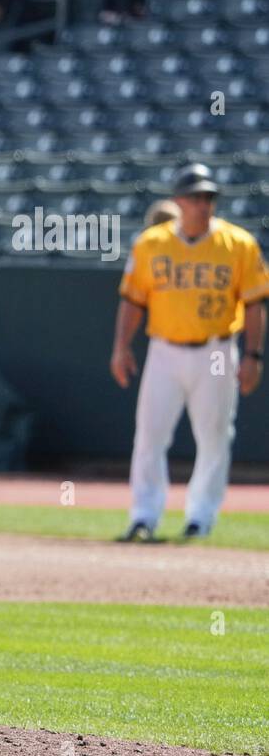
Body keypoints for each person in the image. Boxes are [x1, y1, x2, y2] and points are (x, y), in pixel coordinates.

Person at [112, 163, 269, 541]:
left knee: (214, 434)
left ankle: (200, 517)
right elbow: (133, 300)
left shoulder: (238, 244)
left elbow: (253, 304)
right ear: (179, 201)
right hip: (164, 349)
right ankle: (144, 516)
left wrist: (253, 355)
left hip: (215, 349)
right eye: (196, 197)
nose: (203, 204)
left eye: (209, 197)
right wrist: (121, 347)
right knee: (150, 434)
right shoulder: (152, 243)